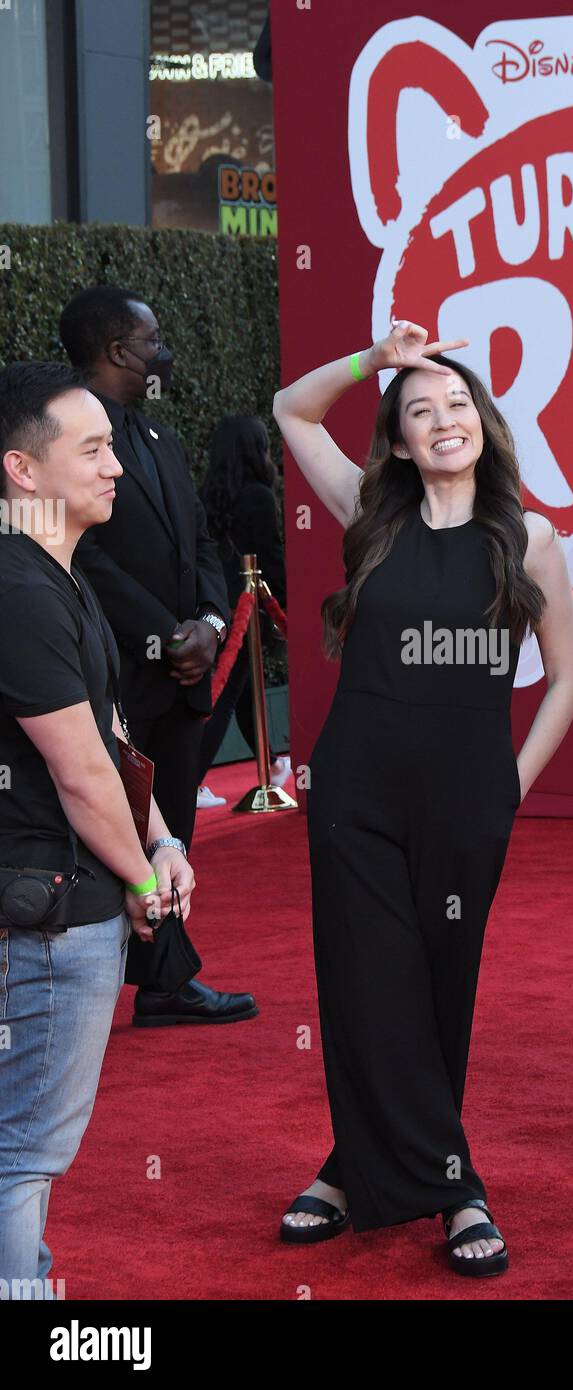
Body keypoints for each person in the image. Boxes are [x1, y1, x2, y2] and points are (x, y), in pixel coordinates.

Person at [273, 319, 573, 1275]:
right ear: (399, 440)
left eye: (456, 404)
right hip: (355, 795)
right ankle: (453, 1188)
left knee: (439, 989)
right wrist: (376, 358)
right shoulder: (369, 509)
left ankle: (352, 1166)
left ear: (483, 425)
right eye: (420, 410)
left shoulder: (528, 539)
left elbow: (567, 679)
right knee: (367, 987)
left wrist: (510, 784)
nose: (442, 419)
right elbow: (292, 407)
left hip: (464, 803)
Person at [0, 362, 195, 1293]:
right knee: (21, 1152)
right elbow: (78, 775)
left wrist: (160, 841)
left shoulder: (57, 574)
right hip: (41, 914)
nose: (114, 466)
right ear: (23, 470)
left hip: (67, 898)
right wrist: (148, 880)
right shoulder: (18, 588)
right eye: (91, 449)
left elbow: (112, 741)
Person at [58, 286, 256, 1027]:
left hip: (180, 676)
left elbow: (202, 540)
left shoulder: (157, 438)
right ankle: (81, 985)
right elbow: (82, 552)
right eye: (153, 339)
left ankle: (165, 980)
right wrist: (164, 633)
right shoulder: (63, 434)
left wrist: (205, 623)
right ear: (116, 350)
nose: (162, 351)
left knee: (169, 826)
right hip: (110, 673)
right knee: (103, 826)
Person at [197, 414, 290, 793]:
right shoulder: (258, 496)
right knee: (225, 695)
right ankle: (191, 780)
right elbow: (271, 557)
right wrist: (288, 611)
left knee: (241, 688)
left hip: (218, 605)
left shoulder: (209, 495)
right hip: (245, 608)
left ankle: (268, 762)